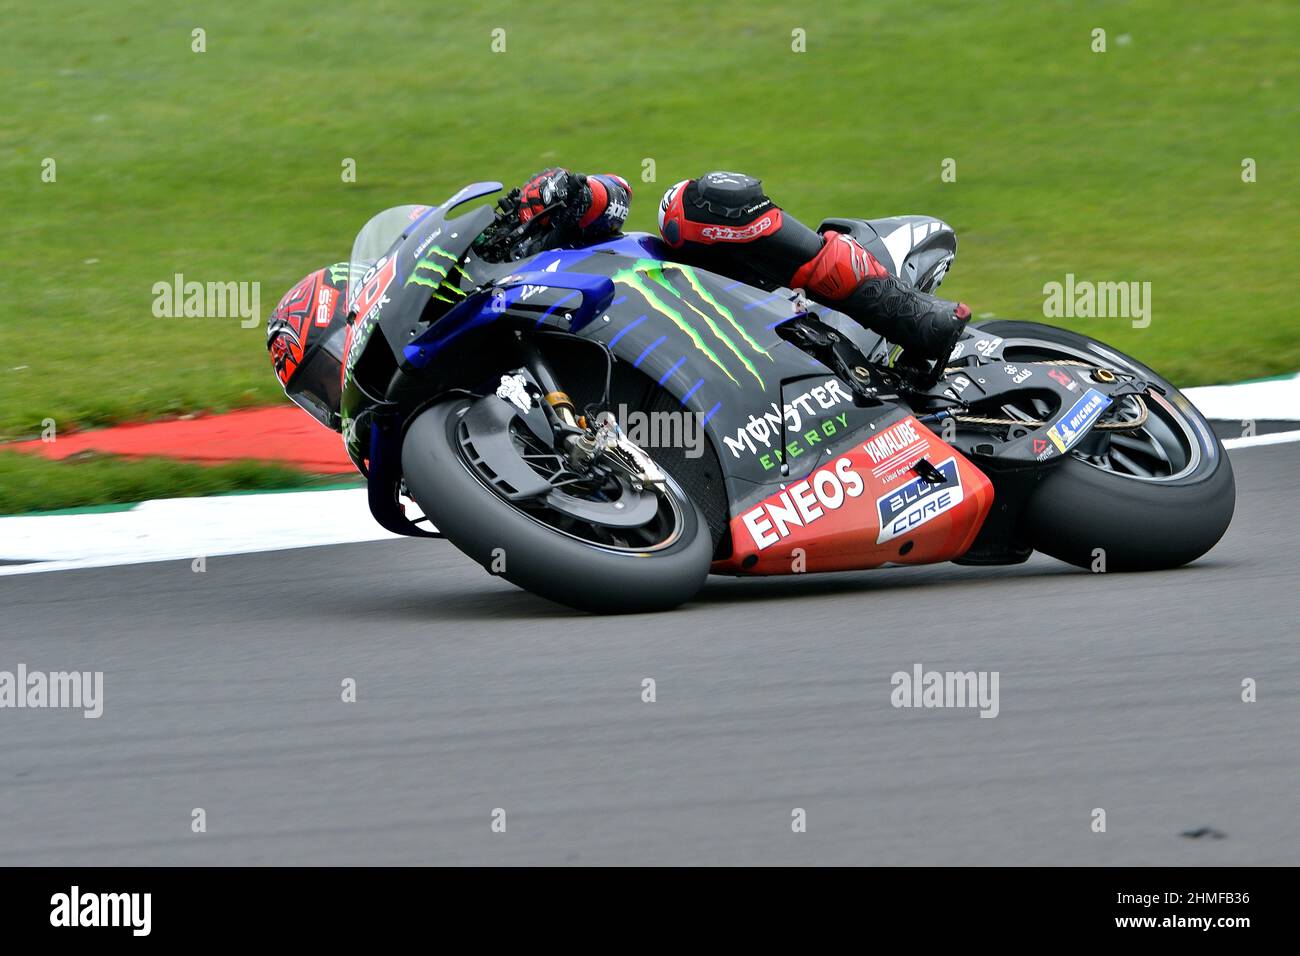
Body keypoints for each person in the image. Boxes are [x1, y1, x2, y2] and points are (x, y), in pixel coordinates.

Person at [476, 167, 969, 364]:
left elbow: (616, 197)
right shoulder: (485, 321)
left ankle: (908, 314)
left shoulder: (549, 251)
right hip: (686, 377)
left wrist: (572, 193)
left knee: (695, 203)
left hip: (745, 305)